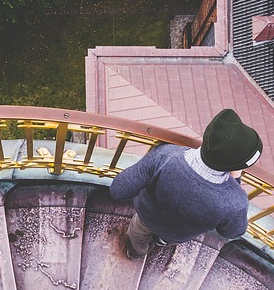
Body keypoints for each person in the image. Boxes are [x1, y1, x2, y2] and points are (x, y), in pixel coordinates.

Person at [110, 108, 262, 259]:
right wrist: (235, 181)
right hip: (179, 233)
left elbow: (119, 190)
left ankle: (136, 253)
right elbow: (232, 232)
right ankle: (161, 242)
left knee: (138, 237)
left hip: (147, 216)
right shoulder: (235, 202)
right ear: (235, 166)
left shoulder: (165, 156)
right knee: (166, 239)